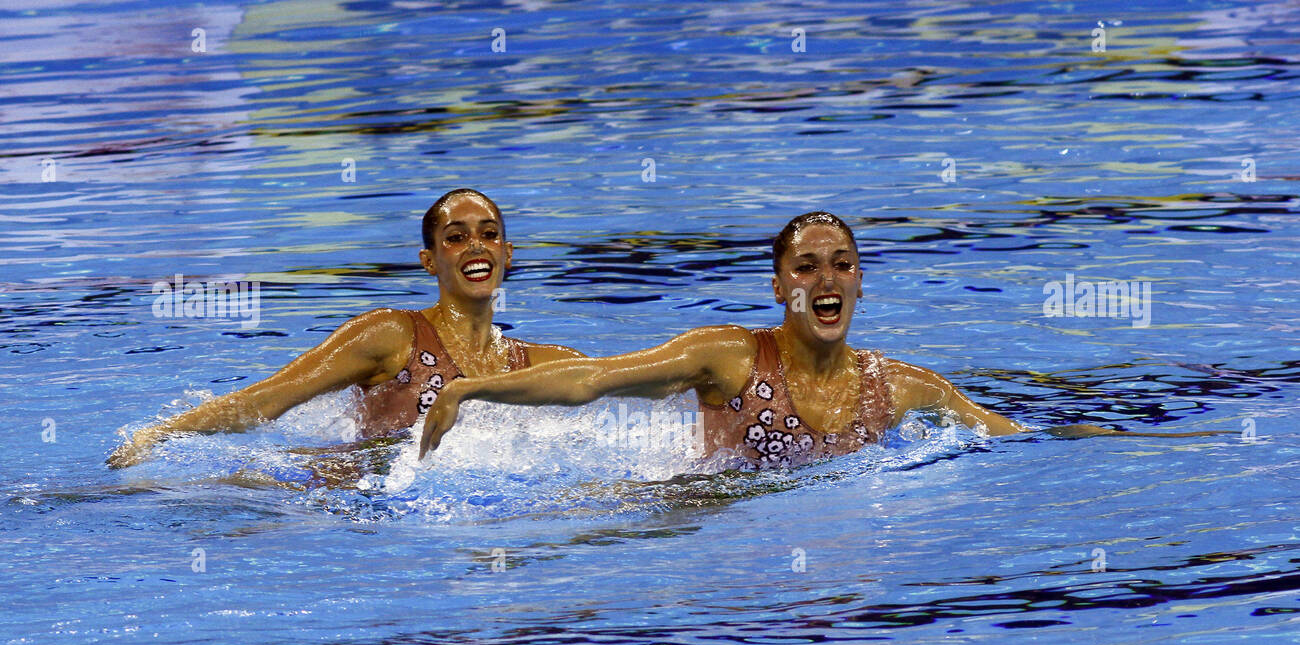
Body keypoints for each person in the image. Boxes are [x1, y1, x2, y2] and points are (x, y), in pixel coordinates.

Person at [417, 210, 1074, 466]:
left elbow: (1011, 434)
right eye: (807, 267)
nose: (826, 280)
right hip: (697, 512)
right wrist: (477, 390)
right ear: (779, 285)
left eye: (841, 264)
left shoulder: (899, 388)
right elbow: (595, 379)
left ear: (860, 283)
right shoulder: (729, 358)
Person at [107, 189, 582, 468]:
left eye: (489, 233)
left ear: (508, 253)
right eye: (455, 238)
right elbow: (274, 396)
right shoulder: (392, 334)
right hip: (336, 496)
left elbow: (633, 381)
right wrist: (158, 435)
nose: (475, 247)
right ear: (429, 262)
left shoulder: (535, 362)